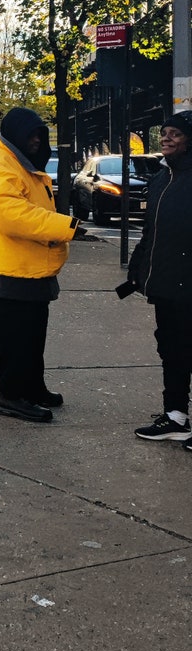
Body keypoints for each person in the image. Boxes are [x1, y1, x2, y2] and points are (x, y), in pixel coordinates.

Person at [0, 108, 82, 422]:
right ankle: (11, 396)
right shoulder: (0, 163)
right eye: (31, 135)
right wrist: (65, 227)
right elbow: (12, 215)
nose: (36, 140)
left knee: (32, 337)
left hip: (30, 268)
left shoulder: (16, 160)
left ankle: (32, 387)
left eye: (39, 135)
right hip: (12, 272)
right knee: (15, 341)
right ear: (15, 134)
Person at [126, 110, 192, 450]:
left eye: (175, 133)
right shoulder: (161, 180)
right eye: (164, 132)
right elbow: (149, 231)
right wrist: (137, 270)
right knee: (171, 349)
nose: (166, 138)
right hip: (167, 283)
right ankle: (176, 417)